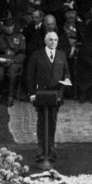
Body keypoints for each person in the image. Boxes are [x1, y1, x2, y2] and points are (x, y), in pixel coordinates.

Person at [27, 31, 71, 162]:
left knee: (52, 121)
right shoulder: (37, 55)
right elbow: (30, 76)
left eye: (56, 40)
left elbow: (67, 73)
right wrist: (32, 94)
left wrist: (67, 81)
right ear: (45, 41)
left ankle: (50, 148)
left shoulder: (61, 55)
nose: (53, 42)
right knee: (42, 122)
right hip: (41, 95)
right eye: (51, 40)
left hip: (56, 95)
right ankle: (41, 149)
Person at [0, 17, 27, 106]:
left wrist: (13, 60)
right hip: (1, 62)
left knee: (11, 73)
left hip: (13, 62)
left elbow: (22, 53)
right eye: (6, 26)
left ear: (13, 26)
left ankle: (10, 97)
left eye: (10, 26)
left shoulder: (19, 37)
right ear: (3, 27)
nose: (8, 28)